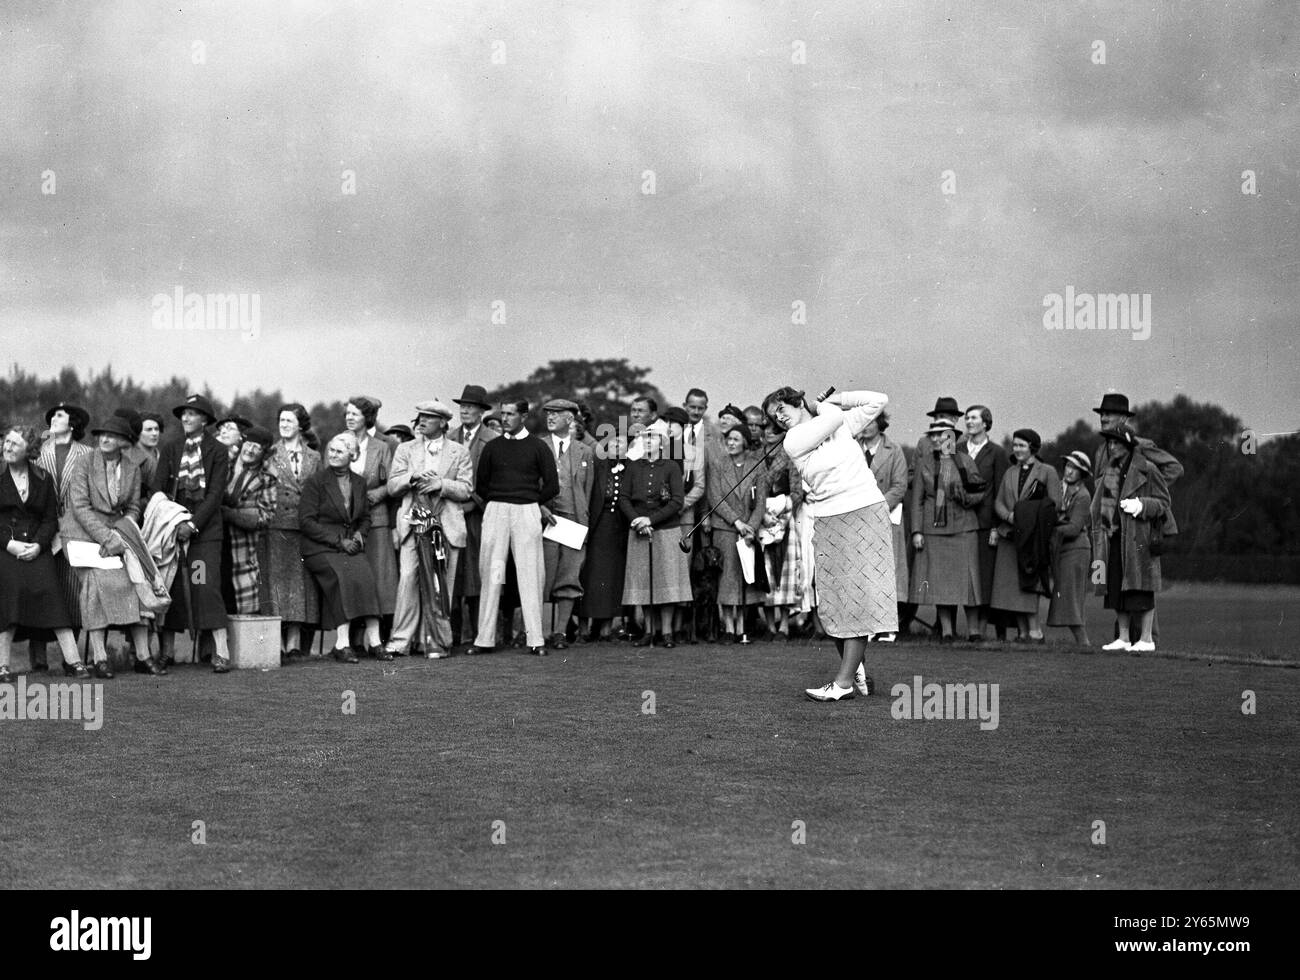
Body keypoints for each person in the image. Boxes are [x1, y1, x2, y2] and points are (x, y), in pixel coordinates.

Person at [765, 386, 895, 702]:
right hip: (828, 518)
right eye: (774, 416)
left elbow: (879, 400)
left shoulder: (837, 422)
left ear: (797, 402)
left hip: (865, 509)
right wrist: (824, 407)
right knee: (834, 602)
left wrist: (836, 398)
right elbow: (833, 417)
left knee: (859, 597)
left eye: (781, 408)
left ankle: (844, 682)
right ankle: (856, 670)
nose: (779, 417)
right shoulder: (794, 439)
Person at [62, 416, 170, 677]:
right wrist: (108, 538)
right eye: (102, 434)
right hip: (81, 535)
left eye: (112, 435)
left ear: (124, 441)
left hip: (117, 535)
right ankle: (99, 658)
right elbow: (80, 507)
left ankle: (143, 656)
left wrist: (125, 528)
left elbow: (132, 506)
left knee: (137, 580)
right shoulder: (84, 462)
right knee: (97, 582)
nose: (105, 439)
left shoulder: (132, 468)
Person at [466, 401, 558, 656]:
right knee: (493, 573)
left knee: (530, 574)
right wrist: (501, 501)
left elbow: (552, 485)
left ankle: (536, 639)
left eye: (510, 414)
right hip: (496, 511)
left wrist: (530, 501)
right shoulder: (493, 447)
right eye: (502, 414)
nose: (504, 418)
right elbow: (481, 485)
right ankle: (484, 639)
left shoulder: (538, 447)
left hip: (527, 511)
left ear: (524, 416)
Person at [0, 424, 90, 682]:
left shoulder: (42, 477)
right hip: (5, 547)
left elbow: (50, 519)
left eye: (14, 444)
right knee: (9, 592)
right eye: (6, 442)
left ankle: (73, 662)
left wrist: (39, 545)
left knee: (52, 593)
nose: (7, 447)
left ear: (28, 449)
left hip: (37, 547)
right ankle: (2, 666)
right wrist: (10, 544)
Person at [151, 394, 233, 672]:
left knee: (203, 583)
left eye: (192, 414)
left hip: (204, 531)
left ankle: (221, 651)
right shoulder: (172, 448)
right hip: (173, 528)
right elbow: (158, 490)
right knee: (170, 584)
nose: (185, 418)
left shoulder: (218, 451)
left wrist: (193, 525)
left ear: (205, 420)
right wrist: (173, 523)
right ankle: (167, 652)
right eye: (183, 414)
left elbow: (215, 495)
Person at [385, 400, 473, 658]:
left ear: (443, 423)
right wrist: (411, 478)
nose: (422, 421)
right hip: (413, 526)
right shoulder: (405, 449)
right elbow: (392, 486)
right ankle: (401, 640)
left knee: (440, 584)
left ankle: (437, 641)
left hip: (445, 527)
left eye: (429, 417)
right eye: (420, 417)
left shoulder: (459, 452)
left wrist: (441, 485)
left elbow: (467, 489)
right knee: (408, 580)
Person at [299, 433, 384, 662]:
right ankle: (342, 644)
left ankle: (375, 642)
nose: (333, 455)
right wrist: (338, 541)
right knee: (342, 577)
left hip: (350, 546)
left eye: (339, 451)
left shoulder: (359, 482)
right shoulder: (316, 482)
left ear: (352, 455)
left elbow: (365, 518)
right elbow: (306, 522)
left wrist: (359, 535)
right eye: (331, 451)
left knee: (366, 577)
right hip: (319, 548)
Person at [1091, 424, 1171, 652]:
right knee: (1116, 586)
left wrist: (1141, 505)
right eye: (1110, 442)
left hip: (1140, 539)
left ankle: (1146, 639)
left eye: (1116, 442)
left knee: (1143, 588)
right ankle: (1123, 637)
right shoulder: (1109, 471)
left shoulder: (1149, 469)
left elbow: (1164, 503)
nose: (1112, 446)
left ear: (1127, 445)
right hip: (1113, 536)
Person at [907, 419, 987, 641]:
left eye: (940, 434)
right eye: (932, 435)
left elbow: (981, 492)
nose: (934, 439)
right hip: (934, 530)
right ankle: (947, 631)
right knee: (940, 582)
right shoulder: (924, 463)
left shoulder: (966, 461)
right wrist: (916, 531)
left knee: (969, 583)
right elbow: (918, 501)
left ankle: (974, 632)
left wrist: (967, 498)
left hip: (964, 527)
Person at [28, 402, 93, 672]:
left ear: (73, 423)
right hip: (42, 529)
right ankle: (39, 657)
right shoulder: (36, 453)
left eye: (60, 415)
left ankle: (71, 658)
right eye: (53, 415)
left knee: (72, 590)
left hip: (76, 529)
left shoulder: (88, 454)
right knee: (41, 590)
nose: (54, 418)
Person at [990, 428, 1061, 643]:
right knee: (1012, 587)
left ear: (1033, 447)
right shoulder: (1010, 472)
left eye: (1022, 445)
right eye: (1015, 445)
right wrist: (1010, 517)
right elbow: (999, 501)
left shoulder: (1047, 471)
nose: (1017, 449)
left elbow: (1054, 504)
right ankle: (1022, 633)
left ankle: (1035, 632)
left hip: (1033, 539)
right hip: (1010, 537)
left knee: (1030, 585)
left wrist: (1028, 518)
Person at [619, 429, 688, 647]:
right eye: (645, 437)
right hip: (639, 530)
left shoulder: (671, 467)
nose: (648, 441)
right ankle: (649, 630)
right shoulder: (633, 466)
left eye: (653, 437)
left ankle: (666, 632)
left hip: (666, 530)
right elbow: (624, 498)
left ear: (662, 442)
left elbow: (677, 501)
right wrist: (638, 521)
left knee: (666, 580)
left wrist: (651, 520)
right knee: (643, 581)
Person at [265, 403, 321, 661]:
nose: (283, 425)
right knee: (278, 582)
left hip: (303, 526)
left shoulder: (314, 457)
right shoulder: (269, 453)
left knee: (300, 583)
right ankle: (276, 642)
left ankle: (295, 642)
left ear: (301, 425)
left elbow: (318, 491)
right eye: (281, 420)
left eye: (289, 420)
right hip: (277, 525)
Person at [705, 421, 770, 644]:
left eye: (735, 439)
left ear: (745, 442)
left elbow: (761, 501)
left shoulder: (757, 465)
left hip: (748, 531)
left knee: (744, 579)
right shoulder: (718, 464)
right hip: (725, 528)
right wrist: (737, 523)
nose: (731, 443)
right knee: (727, 579)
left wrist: (750, 526)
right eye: (728, 439)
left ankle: (742, 626)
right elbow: (715, 497)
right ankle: (728, 627)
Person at [540, 398, 594, 649]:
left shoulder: (585, 451)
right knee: (542, 576)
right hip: (544, 521)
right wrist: (539, 507)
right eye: (548, 413)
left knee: (569, 577)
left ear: (570, 419)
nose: (550, 417)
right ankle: (537, 631)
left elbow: (590, 490)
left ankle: (560, 632)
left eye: (556, 413)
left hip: (573, 522)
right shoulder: (538, 446)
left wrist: (584, 523)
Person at [449, 384, 501, 644]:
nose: (465, 410)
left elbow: (496, 480)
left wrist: (474, 503)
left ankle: (481, 633)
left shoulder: (492, 439)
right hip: (450, 512)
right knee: (453, 573)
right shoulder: (448, 436)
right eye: (462, 406)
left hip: (481, 514)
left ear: (481, 411)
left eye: (470, 406)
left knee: (477, 573)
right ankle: (454, 633)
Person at [344, 397, 398, 641]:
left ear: (367, 418)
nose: (349, 418)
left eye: (355, 414)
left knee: (378, 580)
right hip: (346, 524)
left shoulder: (382, 448)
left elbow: (391, 485)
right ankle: (352, 640)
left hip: (376, 522)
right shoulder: (337, 444)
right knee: (351, 579)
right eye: (347, 413)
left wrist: (369, 498)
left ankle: (378, 638)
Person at [957, 404, 1011, 641]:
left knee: (984, 577)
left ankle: (982, 628)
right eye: (967, 418)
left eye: (974, 418)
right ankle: (972, 630)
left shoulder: (997, 453)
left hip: (985, 524)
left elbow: (1000, 490)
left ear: (986, 423)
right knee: (966, 578)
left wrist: (995, 527)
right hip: (960, 522)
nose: (969, 422)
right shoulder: (957, 448)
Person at [859, 410, 908, 642]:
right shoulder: (852, 448)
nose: (866, 427)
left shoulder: (894, 450)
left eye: (871, 422)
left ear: (880, 424)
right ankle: (867, 627)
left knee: (887, 572)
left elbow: (899, 486)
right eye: (863, 422)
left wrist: (878, 508)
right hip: (857, 519)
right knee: (863, 573)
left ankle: (888, 627)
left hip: (886, 518)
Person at [577, 432, 630, 642]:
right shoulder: (597, 466)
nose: (617, 447)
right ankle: (583, 628)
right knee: (588, 577)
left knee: (611, 579)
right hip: (596, 526)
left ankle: (606, 629)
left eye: (622, 444)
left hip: (618, 529)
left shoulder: (631, 468)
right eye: (614, 443)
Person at [221, 425, 278, 616]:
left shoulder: (267, 477)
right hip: (214, 537)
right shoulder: (223, 464)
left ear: (264, 454)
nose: (251, 450)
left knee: (241, 599)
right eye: (248, 444)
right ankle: (211, 646)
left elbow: (266, 515)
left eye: (257, 448)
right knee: (209, 590)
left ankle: (240, 645)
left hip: (242, 544)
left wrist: (232, 514)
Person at [1047, 450, 1093, 646]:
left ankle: (1084, 643)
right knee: (1066, 596)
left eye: (1075, 469)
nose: (1070, 471)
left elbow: (1074, 528)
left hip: (1077, 549)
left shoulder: (1083, 495)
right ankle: (1083, 643)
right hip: (1062, 548)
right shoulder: (1058, 488)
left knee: (1071, 598)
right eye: (1068, 466)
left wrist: (1049, 527)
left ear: (1082, 474)